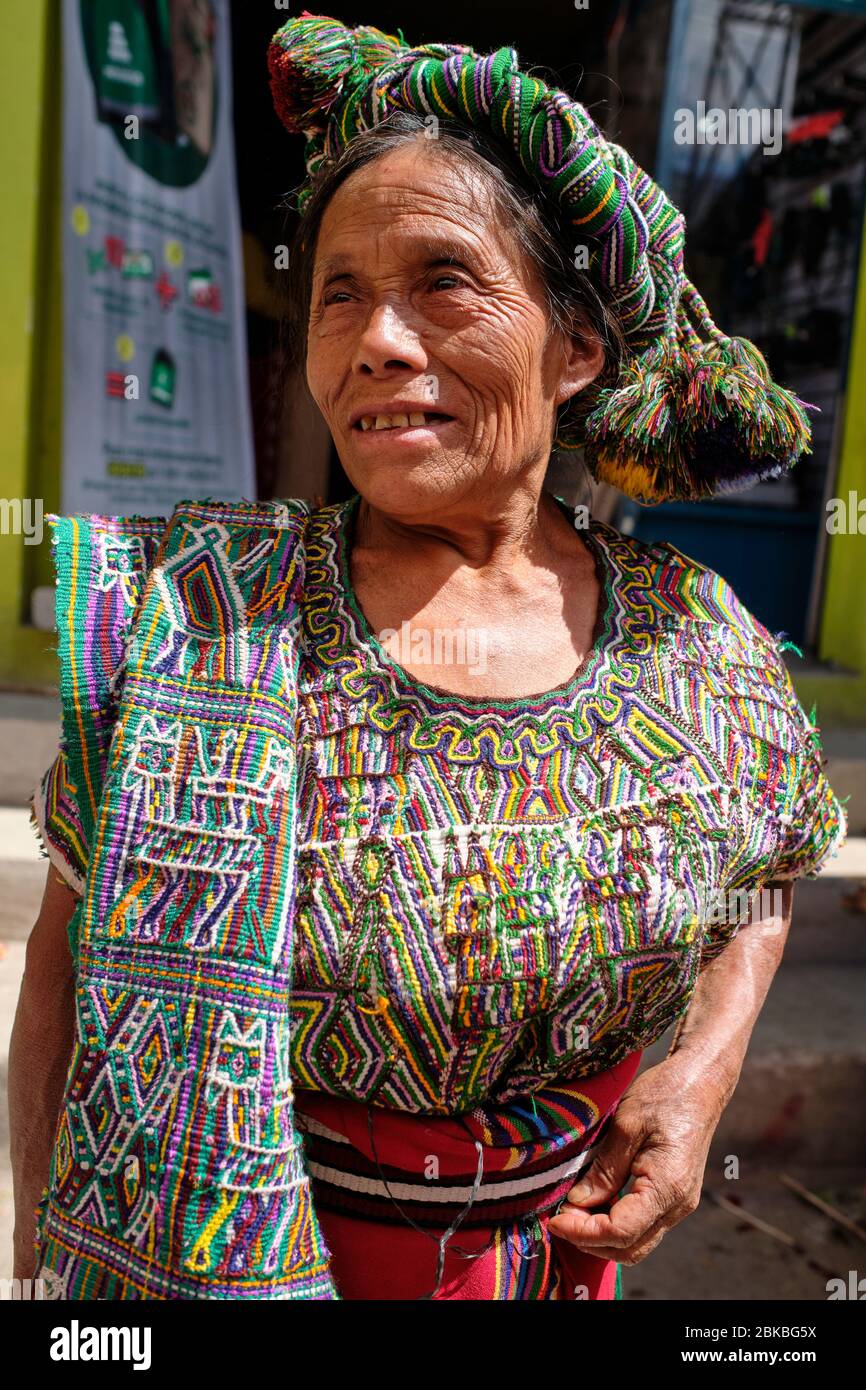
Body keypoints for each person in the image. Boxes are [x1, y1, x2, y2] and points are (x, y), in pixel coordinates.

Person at [11, 16, 846, 1301]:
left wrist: (703, 1069)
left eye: (443, 281)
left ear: (576, 349)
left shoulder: (694, 638)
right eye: (339, 289)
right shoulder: (201, 618)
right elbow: (66, 961)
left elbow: (771, 858)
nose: (376, 339)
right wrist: (43, 1265)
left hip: (541, 1271)